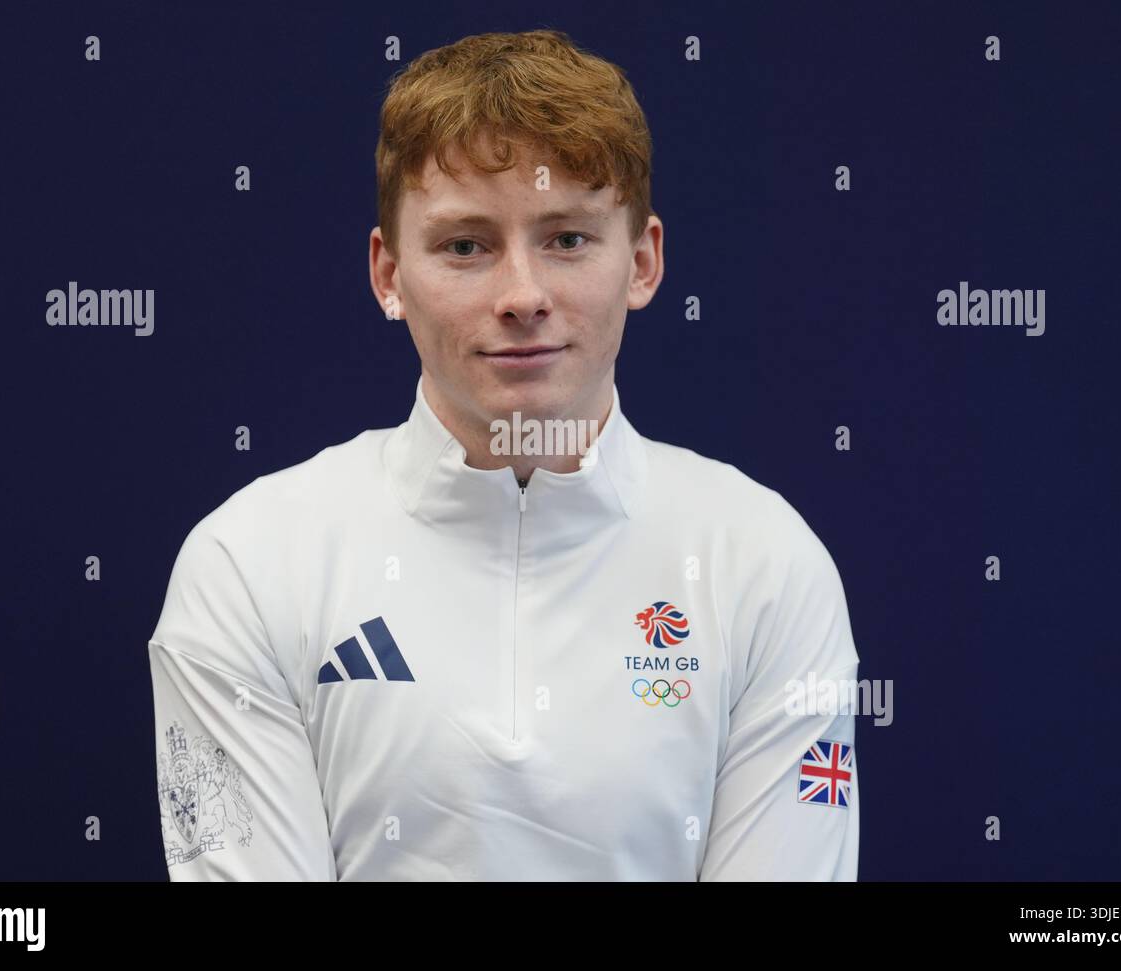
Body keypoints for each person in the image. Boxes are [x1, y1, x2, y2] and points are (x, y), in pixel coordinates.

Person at [148, 28, 860, 881]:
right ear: (388, 275)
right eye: (466, 245)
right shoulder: (248, 563)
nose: (522, 295)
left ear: (642, 262)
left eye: (567, 239)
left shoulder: (765, 565)